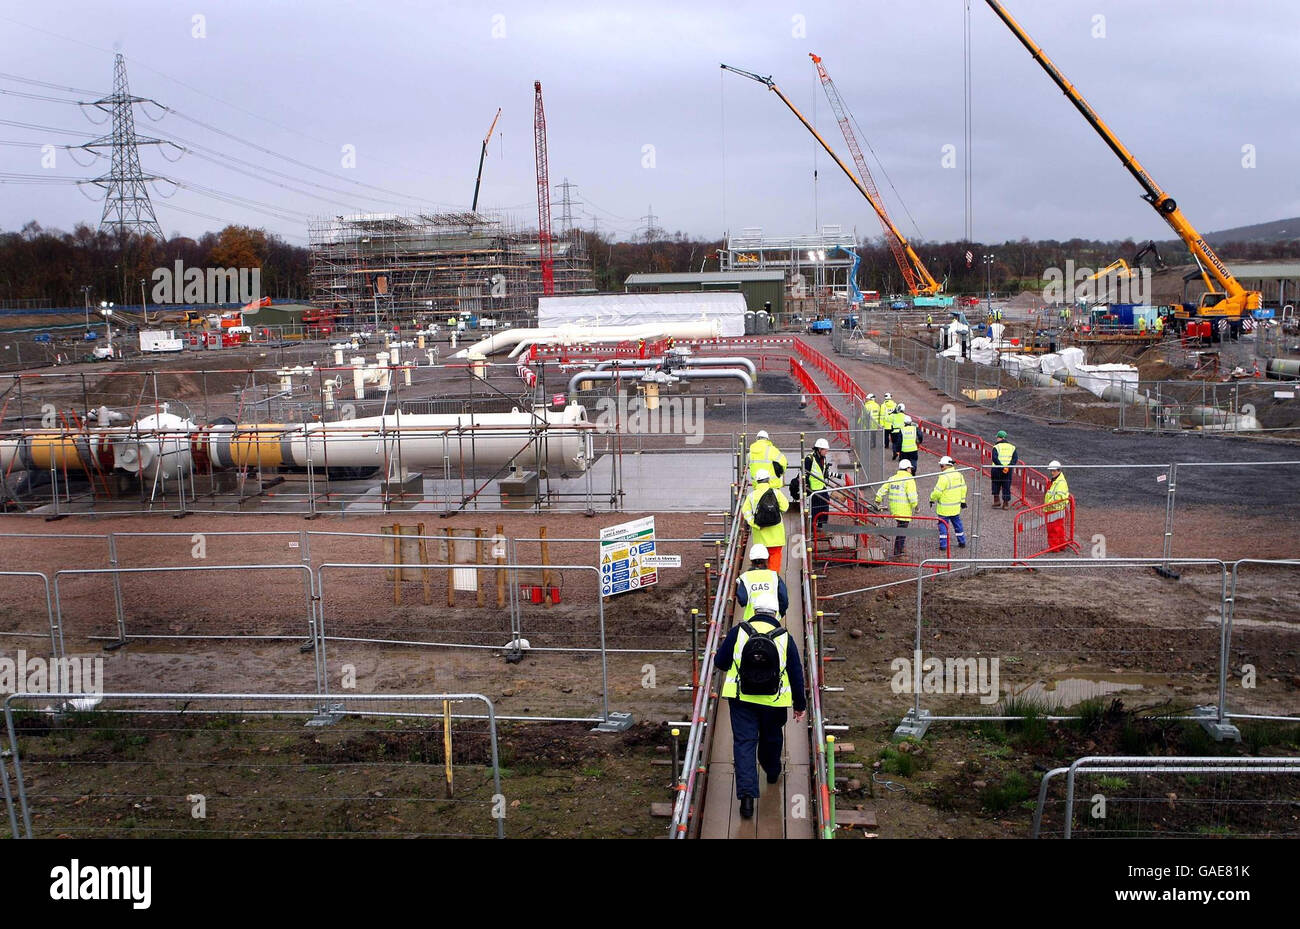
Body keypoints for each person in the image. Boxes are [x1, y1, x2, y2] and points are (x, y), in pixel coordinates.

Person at [714, 593, 806, 819]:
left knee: (744, 743)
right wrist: (799, 704)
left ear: (754, 610)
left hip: (741, 698)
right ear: (776, 613)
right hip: (774, 701)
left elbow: (720, 662)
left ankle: (746, 800)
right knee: (771, 738)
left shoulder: (739, 632)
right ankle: (772, 770)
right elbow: (796, 673)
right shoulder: (785, 637)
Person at [742, 468, 790, 573]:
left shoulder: (751, 496)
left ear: (757, 481)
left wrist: (754, 524)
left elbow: (746, 512)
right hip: (776, 534)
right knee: (775, 556)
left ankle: (761, 578)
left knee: (761, 559)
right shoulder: (776, 493)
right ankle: (773, 579)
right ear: (768, 480)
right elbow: (785, 507)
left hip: (760, 535)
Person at [734, 543, 789, 623]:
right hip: (773, 619)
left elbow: (742, 599)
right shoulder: (774, 576)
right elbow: (784, 599)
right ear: (766, 559)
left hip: (751, 620)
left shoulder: (745, 577)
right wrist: (781, 613)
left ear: (751, 560)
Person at [875, 459, 918, 559]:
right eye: (910, 468)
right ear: (907, 469)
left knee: (901, 529)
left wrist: (878, 499)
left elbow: (883, 489)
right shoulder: (909, 479)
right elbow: (912, 496)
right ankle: (898, 552)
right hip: (904, 510)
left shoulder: (893, 478)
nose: (911, 470)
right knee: (902, 531)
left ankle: (900, 548)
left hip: (895, 509)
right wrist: (916, 506)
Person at [930, 455, 968, 551]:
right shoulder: (959, 475)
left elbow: (937, 492)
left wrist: (932, 499)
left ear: (947, 465)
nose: (941, 468)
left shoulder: (944, 477)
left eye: (941, 466)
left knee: (943, 526)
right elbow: (964, 488)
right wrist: (963, 501)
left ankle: (943, 545)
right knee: (958, 525)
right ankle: (962, 542)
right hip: (955, 507)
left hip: (944, 509)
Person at [803, 438, 835, 531]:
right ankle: (813, 527)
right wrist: (807, 486)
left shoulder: (823, 458)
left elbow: (822, 472)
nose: (827, 452)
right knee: (815, 509)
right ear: (819, 449)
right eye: (825, 450)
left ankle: (822, 526)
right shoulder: (809, 459)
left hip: (822, 487)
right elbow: (805, 473)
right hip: (814, 489)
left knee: (825, 505)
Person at [1044, 460, 1071, 551]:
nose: (1052, 473)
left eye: (1054, 471)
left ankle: (1054, 547)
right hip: (1054, 508)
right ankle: (1060, 545)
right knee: (1058, 528)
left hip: (1054, 509)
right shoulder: (1056, 481)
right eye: (1051, 471)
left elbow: (1058, 497)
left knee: (1053, 529)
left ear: (1059, 470)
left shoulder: (1060, 483)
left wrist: (1049, 504)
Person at [990, 429, 1018, 509]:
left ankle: (996, 501)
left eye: (997, 437)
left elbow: (994, 458)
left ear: (1000, 438)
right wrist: (1008, 466)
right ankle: (1005, 504)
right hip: (1008, 470)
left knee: (996, 484)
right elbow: (1015, 459)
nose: (996, 439)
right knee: (1006, 485)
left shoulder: (996, 447)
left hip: (997, 469)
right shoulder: (1012, 447)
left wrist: (1001, 467)